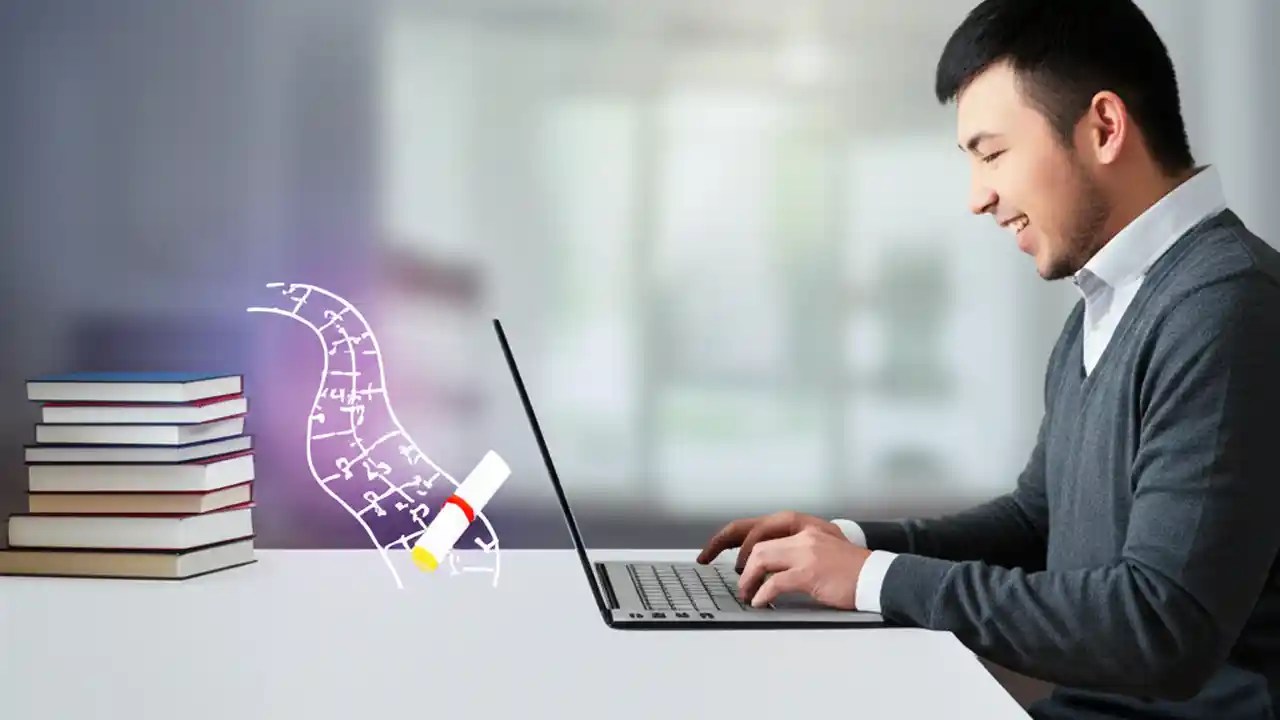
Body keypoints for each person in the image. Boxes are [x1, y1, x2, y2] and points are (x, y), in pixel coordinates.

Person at [695, 0, 1280, 717]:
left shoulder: (1227, 307)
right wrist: (841, 544)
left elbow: (1159, 627)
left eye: (992, 152)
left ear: (1104, 127)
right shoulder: (1109, 305)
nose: (980, 197)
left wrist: (875, 578)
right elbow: (1038, 527)